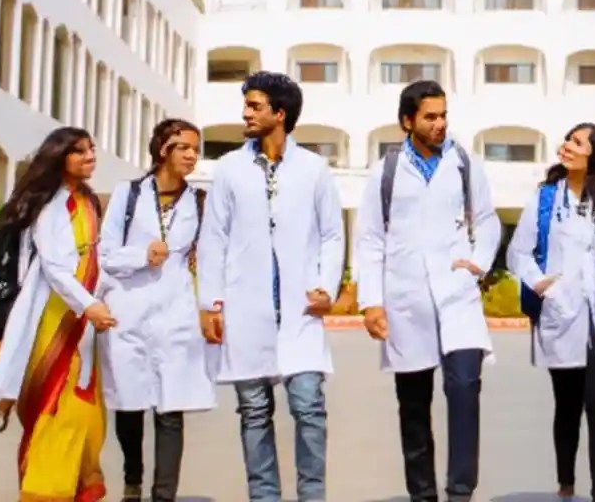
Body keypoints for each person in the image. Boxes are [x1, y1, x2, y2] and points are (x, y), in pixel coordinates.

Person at [197, 71, 345, 502]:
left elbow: (333, 234)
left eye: (255, 106)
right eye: (246, 105)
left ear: (280, 114)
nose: (245, 113)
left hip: (300, 310)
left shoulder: (314, 169)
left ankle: (311, 496)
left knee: (309, 408)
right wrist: (211, 302)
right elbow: (214, 237)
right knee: (254, 413)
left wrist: (326, 287)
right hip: (247, 310)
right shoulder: (229, 169)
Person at [354, 80, 502, 502]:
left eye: (443, 116)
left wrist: (479, 261)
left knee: (464, 389)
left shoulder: (463, 163)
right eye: (430, 117)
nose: (439, 124)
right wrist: (371, 303)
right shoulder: (385, 171)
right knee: (414, 406)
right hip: (407, 298)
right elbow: (369, 239)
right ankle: (422, 494)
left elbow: (488, 219)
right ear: (407, 121)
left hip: (457, 295)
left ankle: (460, 491)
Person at [0, 127, 118, 502]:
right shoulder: (52, 205)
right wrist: (88, 305)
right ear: (60, 158)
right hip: (55, 318)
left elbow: (97, 258)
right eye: (79, 152)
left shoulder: (87, 200)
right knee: (57, 408)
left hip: (85, 318)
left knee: (84, 409)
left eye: (91, 149)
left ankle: (74, 489)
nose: (90, 157)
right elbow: (55, 267)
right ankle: (44, 492)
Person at [101, 118, 216, 502]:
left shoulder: (200, 201)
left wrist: (208, 308)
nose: (191, 155)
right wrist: (141, 255)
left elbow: (209, 260)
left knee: (172, 408)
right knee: (129, 403)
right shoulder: (128, 194)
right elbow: (105, 254)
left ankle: (163, 494)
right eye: (183, 147)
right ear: (162, 149)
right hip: (128, 312)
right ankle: (133, 478)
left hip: (174, 314)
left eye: (195, 149)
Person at [506, 123, 595, 502]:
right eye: (567, 140)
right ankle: (566, 484)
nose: (566, 147)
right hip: (562, 310)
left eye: (577, 142)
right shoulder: (545, 198)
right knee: (568, 405)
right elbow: (518, 252)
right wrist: (542, 285)